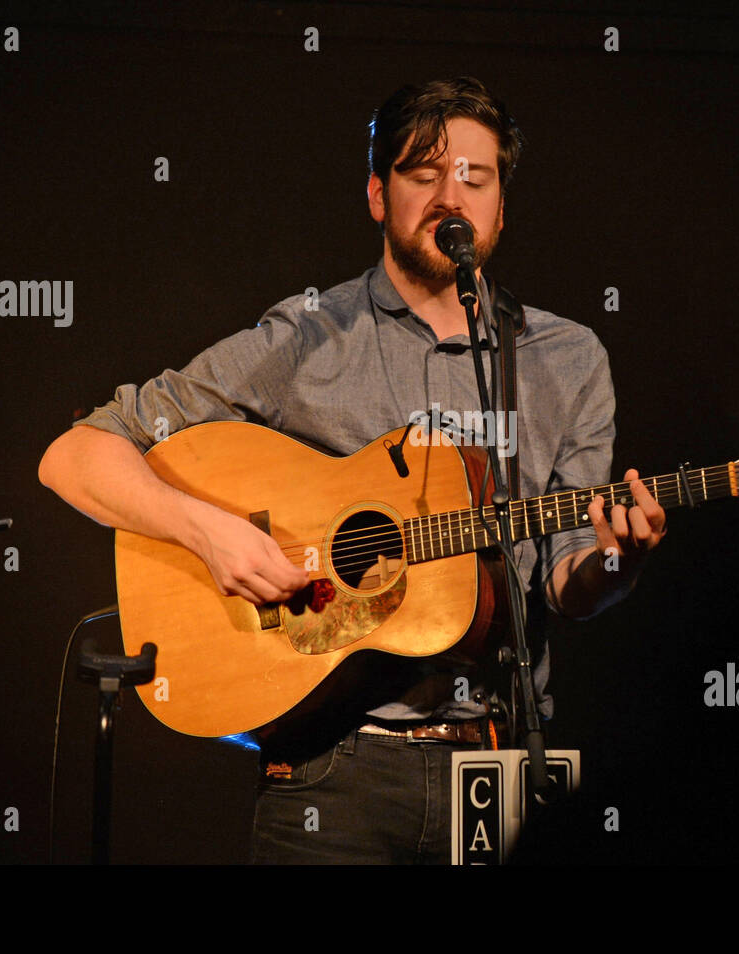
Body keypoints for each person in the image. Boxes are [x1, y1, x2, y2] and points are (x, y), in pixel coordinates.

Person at [38, 76, 667, 864]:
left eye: (476, 177)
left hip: (501, 761)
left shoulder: (567, 361)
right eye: (423, 173)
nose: (451, 196)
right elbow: (77, 454)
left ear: (502, 205)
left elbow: (567, 583)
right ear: (378, 194)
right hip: (332, 772)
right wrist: (210, 533)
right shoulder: (304, 339)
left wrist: (618, 560)